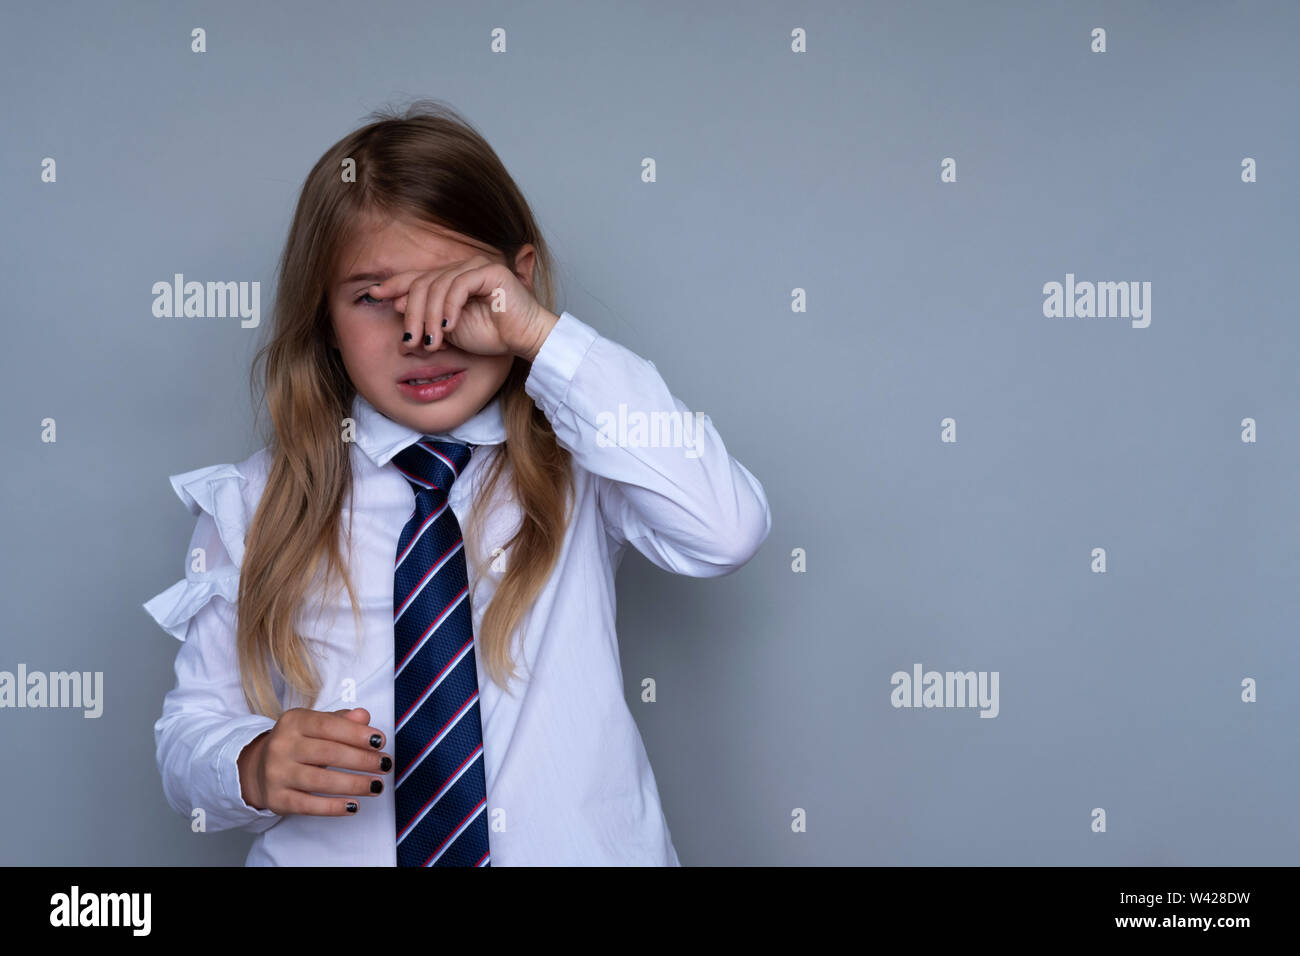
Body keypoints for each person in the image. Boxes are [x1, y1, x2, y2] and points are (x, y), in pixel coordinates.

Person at [142, 100, 771, 866]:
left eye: (455, 289)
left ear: (519, 281)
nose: (422, 331)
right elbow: (190, 729)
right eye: (373, 298)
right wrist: (251, 762)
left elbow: (726, 531)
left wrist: (540, 335)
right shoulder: (254, 502)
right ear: (324, 320)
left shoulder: (586, 462)